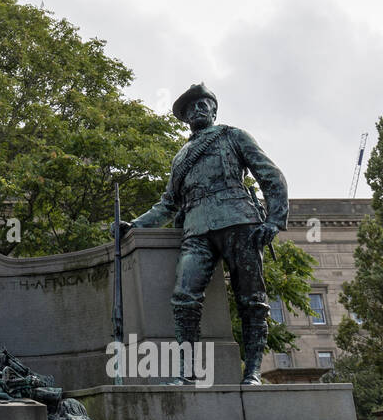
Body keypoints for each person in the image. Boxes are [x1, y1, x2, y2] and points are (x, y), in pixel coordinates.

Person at [114, 83, 288, 385]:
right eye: (190, 107)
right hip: (196, 229)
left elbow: (271, 176)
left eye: (202, 103)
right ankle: (189, 372)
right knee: (184, 298)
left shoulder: (233, 136)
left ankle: (253, 372)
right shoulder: (180, 157)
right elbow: (168, 204)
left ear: (214, 109)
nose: (196, 109)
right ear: (184, 118)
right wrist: (135, 224)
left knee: (252, 299)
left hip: (239, 222)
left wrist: (275, 220)